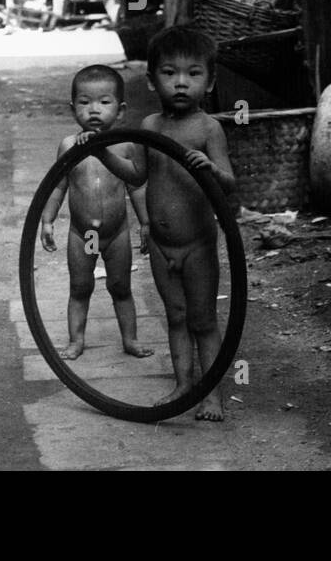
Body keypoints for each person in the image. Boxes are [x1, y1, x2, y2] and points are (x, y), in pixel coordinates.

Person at [140, 25, 236, 421]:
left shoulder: (207, 128)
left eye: (193, 73)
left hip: (197, 244)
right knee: (175, 317)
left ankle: (211, 396)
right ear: (151, 80)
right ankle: (183, 385)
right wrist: (99, 150)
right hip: (162, 246)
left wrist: (211, 168)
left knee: (202, 319)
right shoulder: (149, 127)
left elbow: (229, 185)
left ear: (209, 81)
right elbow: (135, 175)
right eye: (169, 72)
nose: (181, 82)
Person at [40, 65, 153, 361]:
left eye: (104, 102)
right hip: (84, 235)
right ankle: (76, 341)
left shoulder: (126, 146)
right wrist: (47, 220)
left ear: (120, 110)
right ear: (72, 108)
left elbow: (136, 188)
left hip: (116, 234)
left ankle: (130, 339)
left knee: (120, 287)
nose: (94, 110)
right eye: (84, 102)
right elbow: (57, 187)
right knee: (80, 287)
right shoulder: (68, 146)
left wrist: (145, 221)